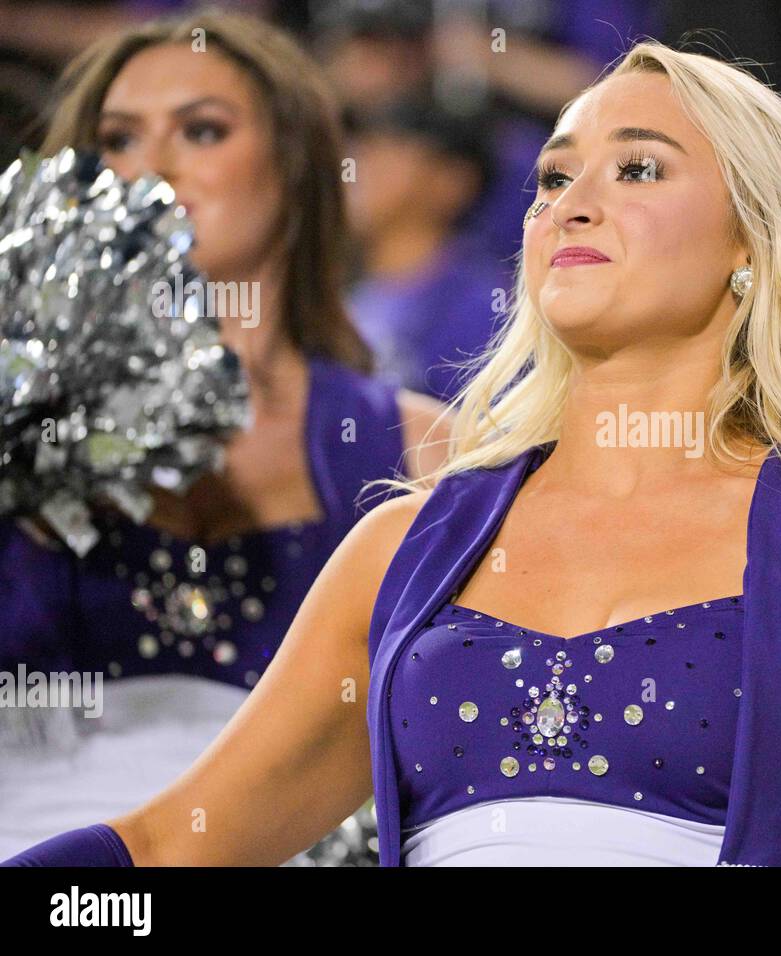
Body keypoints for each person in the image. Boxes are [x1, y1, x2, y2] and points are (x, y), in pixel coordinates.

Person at [4, 39, 781, 868]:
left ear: (753, 239)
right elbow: (170, 852)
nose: (571, 201)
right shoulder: (407, 546)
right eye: (553, 177)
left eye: (636, 167)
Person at [0, 9, 449, 858]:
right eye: (118, 141)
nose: (153, 169)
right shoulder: (17, 401)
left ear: (295, 169)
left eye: (201, 131)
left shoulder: (426, 450)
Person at [344, 91, 509, 401]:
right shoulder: (341, 293)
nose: (357, 166)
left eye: (386, 148)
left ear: (451, 181)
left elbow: (501, 441)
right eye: (359, 147)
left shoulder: (484, 310)